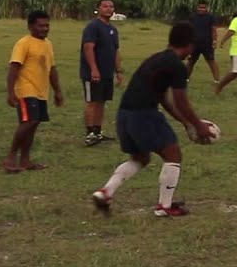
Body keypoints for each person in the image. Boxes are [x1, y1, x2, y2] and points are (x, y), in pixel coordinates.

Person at [90, 21, 216, 218]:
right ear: (190, 44)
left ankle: (105, 192)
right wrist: (198, 125)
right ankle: (164, 207)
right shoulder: (177, 66)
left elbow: (164, 98)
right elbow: (181, 101)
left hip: (124, 114)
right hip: (144, 114)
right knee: (173, 154)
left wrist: (186, 122)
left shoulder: (157, 59)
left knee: (140, 158)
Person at [3, 10, 64, 173]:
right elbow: (13, 68)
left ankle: (25, 160)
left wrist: (57, 91)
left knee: (34, 124)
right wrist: (10, 92)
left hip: (41, 91)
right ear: (30, 26)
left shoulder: (47, 44)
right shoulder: (24, 43)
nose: (44, 29)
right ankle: (10, 157)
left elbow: (52, 69)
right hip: (25, 90)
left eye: (47, 25)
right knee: (27, 122)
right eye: (40, 25)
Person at [80, 0, 122, 146]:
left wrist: (118, 70)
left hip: (107, 72)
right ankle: (90, 133)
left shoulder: (112, 29)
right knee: (92, 101)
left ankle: (98, 131)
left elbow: (115, 50)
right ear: (98, 8)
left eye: (111, 6)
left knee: (101, 101)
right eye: (105, 6)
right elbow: (88, 48)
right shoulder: (93, 26)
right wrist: (93, 69)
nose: (109, 9)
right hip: (92, 72)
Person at [186, 1, 220, 83]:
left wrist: (214, 41)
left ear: (207, 8)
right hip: (194, 43)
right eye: (200, 7)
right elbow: (188, 29)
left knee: (211, 61)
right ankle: (186, 79)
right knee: (191, 61)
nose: (202, 9)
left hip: (207, 43)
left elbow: (213, 30)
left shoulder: (211, 17)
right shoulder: (192, 17)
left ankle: (217, 80)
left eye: (203, 8)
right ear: (197, 8)